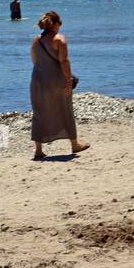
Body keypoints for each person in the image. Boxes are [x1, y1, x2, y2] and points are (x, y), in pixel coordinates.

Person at [29, 11, 90, 160]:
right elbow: (64, 61)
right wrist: (68, 80)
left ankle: (38, 150)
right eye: (60, 22)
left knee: (39, 112)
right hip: (57, 79)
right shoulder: (60, 39)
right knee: (65, 109)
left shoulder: (36, 40)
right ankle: (74, 144)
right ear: (55, 24)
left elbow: (34, 60)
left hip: (37, 80)